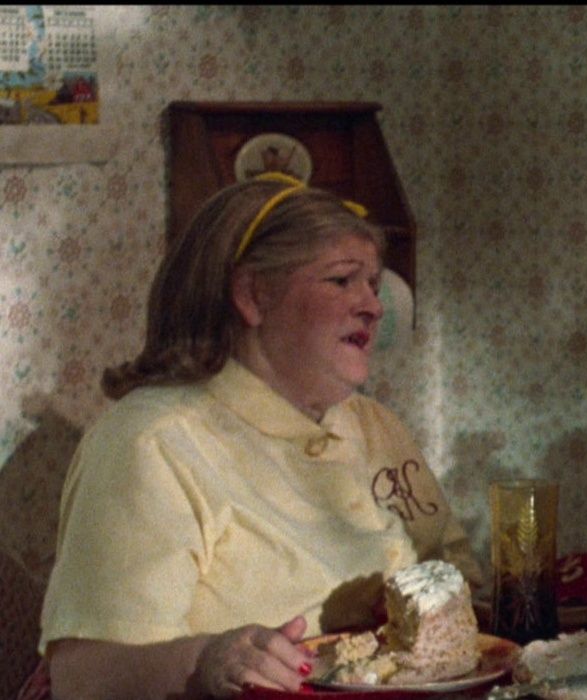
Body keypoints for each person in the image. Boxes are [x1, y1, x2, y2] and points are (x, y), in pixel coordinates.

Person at [38, 173, 482, 699]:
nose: (374, 305)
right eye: (343, 280)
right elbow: (80, 678)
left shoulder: (372, 424)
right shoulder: (152, 442)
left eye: (373, 283)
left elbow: (462, 585)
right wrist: (206, 662)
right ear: (252, 295)